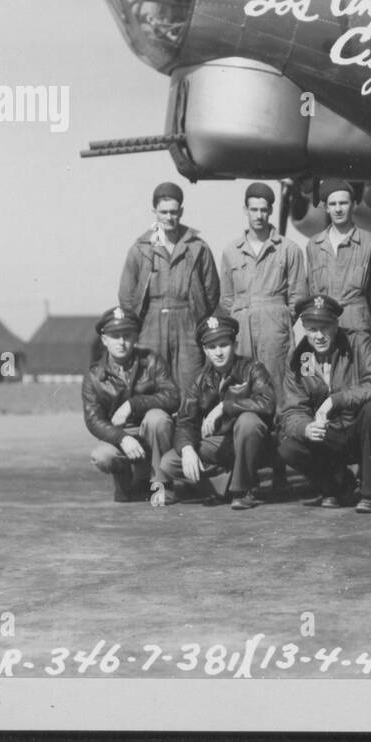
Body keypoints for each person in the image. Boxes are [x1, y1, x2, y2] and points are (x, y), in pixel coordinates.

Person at [218, 181, 308, 489]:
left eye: (264, 210)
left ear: (271, 212)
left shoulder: (289, 249)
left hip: (275, 330)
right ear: (245, 210)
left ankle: (281, 467)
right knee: (243, 393)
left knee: (279, 396)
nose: (258, 215)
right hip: (242, 330)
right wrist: (242, 319)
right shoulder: (231, 251)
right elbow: (226, 299)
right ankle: (250, 469)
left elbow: (298, 296)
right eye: (253, 209)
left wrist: (279, 321)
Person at [277, 294, 371, 509]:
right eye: (312, 329)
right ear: (303, 328)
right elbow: (292, 410)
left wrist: (337, 400)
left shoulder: (357, 343)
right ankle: (335, 487)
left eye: (325, 328)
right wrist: (306, 427)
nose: (319, 336)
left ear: (336, 325)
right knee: (289, 447)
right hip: (328, 437)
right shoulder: (299, 358)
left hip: (361, 433)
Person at [156, 314, 276, 511]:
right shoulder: (201, 380)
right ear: (205, 351)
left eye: (223, 345)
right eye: (212, 347)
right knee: (169, 463)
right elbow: (186, 421)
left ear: (234, 344)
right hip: (220, 446)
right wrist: (187, 449)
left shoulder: (253, 369)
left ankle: (243, 490)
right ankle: (226, 480)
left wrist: (225, 406)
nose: (218, 352)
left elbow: (267, 403)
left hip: (255, 443)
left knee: (248, 421)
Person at [117, 181, 220, 399]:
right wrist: (139, 326)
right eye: (163, 212)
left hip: (188, 324)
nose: (169, 217)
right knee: (149, 383)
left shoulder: (197, 247)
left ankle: (187, 430)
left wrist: (197, 319)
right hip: (150, 324)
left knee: (191, 381)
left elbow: (212, 292)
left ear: (181, 211)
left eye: (174, 212)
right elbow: (126, 296)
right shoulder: (140, 249)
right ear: (154, 212)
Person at [82, 306, 179, 503]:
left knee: (157, 419)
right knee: (102, 456)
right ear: (104, 340)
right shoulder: (94, 377)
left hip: (150, 432)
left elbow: (172, 396)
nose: (122, 342)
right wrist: (122, 438)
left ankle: (161, 484)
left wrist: (133, 404)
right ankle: (127, 479)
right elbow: (94, 420)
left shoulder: (151, 361)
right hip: (119, 436)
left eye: (127, 335)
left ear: (136, 337)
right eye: (115, 336)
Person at [304, 178, 371, 355]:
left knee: (363, 380)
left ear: (353, 205)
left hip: (359, 329)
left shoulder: (369, 242)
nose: (338, 209)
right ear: (326, 208)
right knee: (324, 378)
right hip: (324, 329)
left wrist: (363, 320)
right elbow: (312, 289)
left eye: (343, 203)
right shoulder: (314, 245)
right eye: (333, 204)